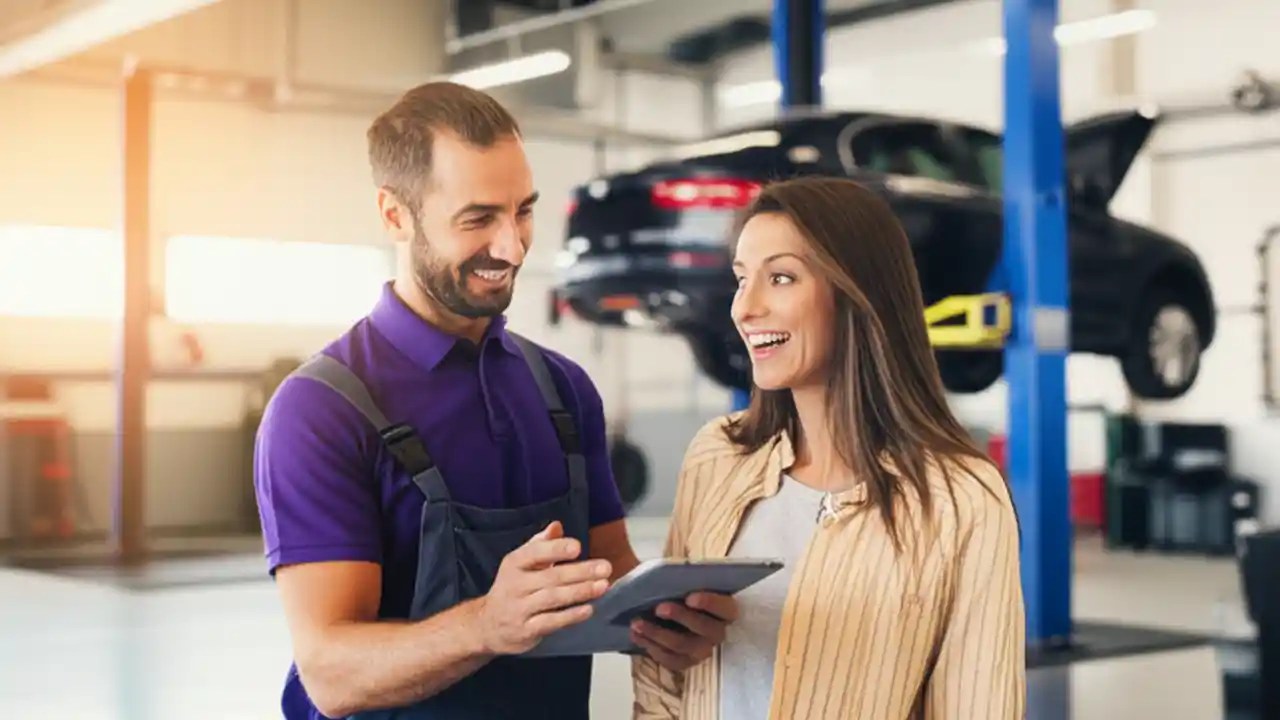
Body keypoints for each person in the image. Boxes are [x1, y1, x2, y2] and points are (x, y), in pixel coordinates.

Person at [253, 81, 737, 720]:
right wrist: (487, 624)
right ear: (395, 215)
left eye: (524, 211)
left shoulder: (563, 390)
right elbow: (331, 675)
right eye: (478, 219)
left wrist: (665, 620)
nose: (511, 247)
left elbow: (610, 572)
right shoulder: (321, 411)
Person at [631, 176, 1026, 720]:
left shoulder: (962, 499)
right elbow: (660, 689)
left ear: (858, 294)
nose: (745, 308)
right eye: (742, 280)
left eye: (781, 278)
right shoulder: (717, 456)